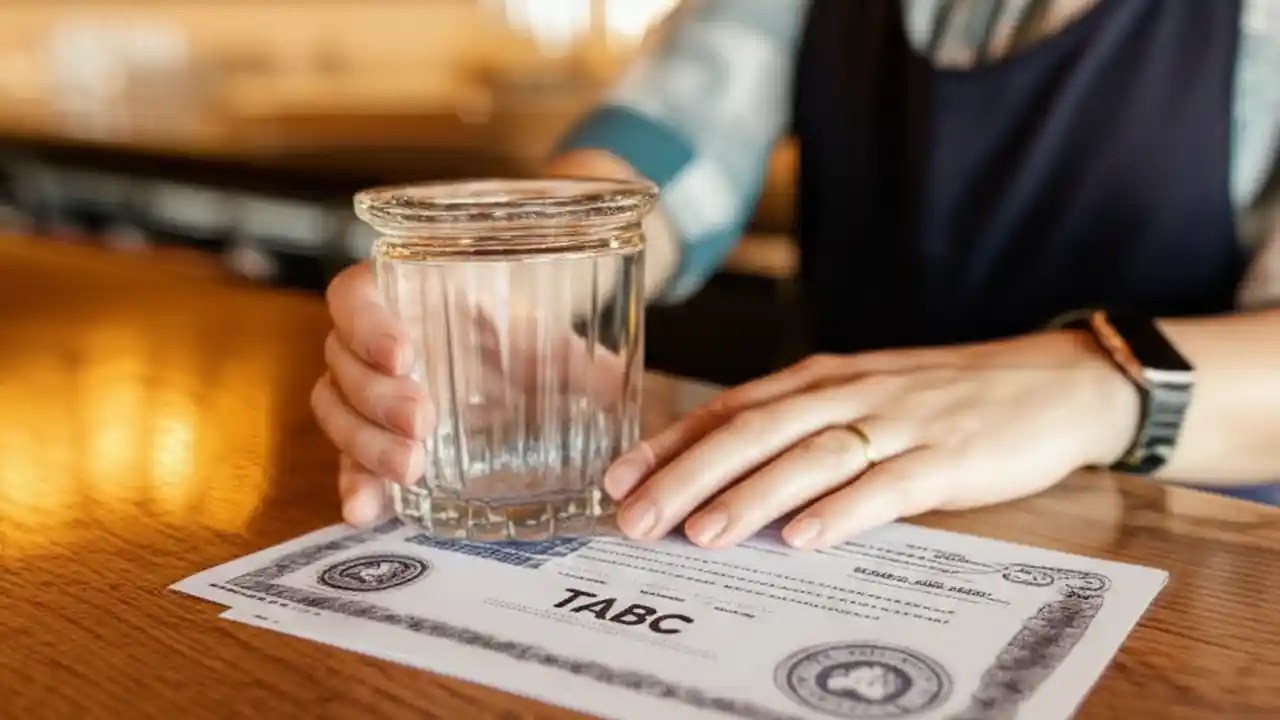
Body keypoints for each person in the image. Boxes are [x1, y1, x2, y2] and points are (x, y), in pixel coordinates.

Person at [312, 0, 1280, 549]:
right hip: (813, 532)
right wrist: (505, 296)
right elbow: (663, 147)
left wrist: (1090, 384)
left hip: (1178, 563)